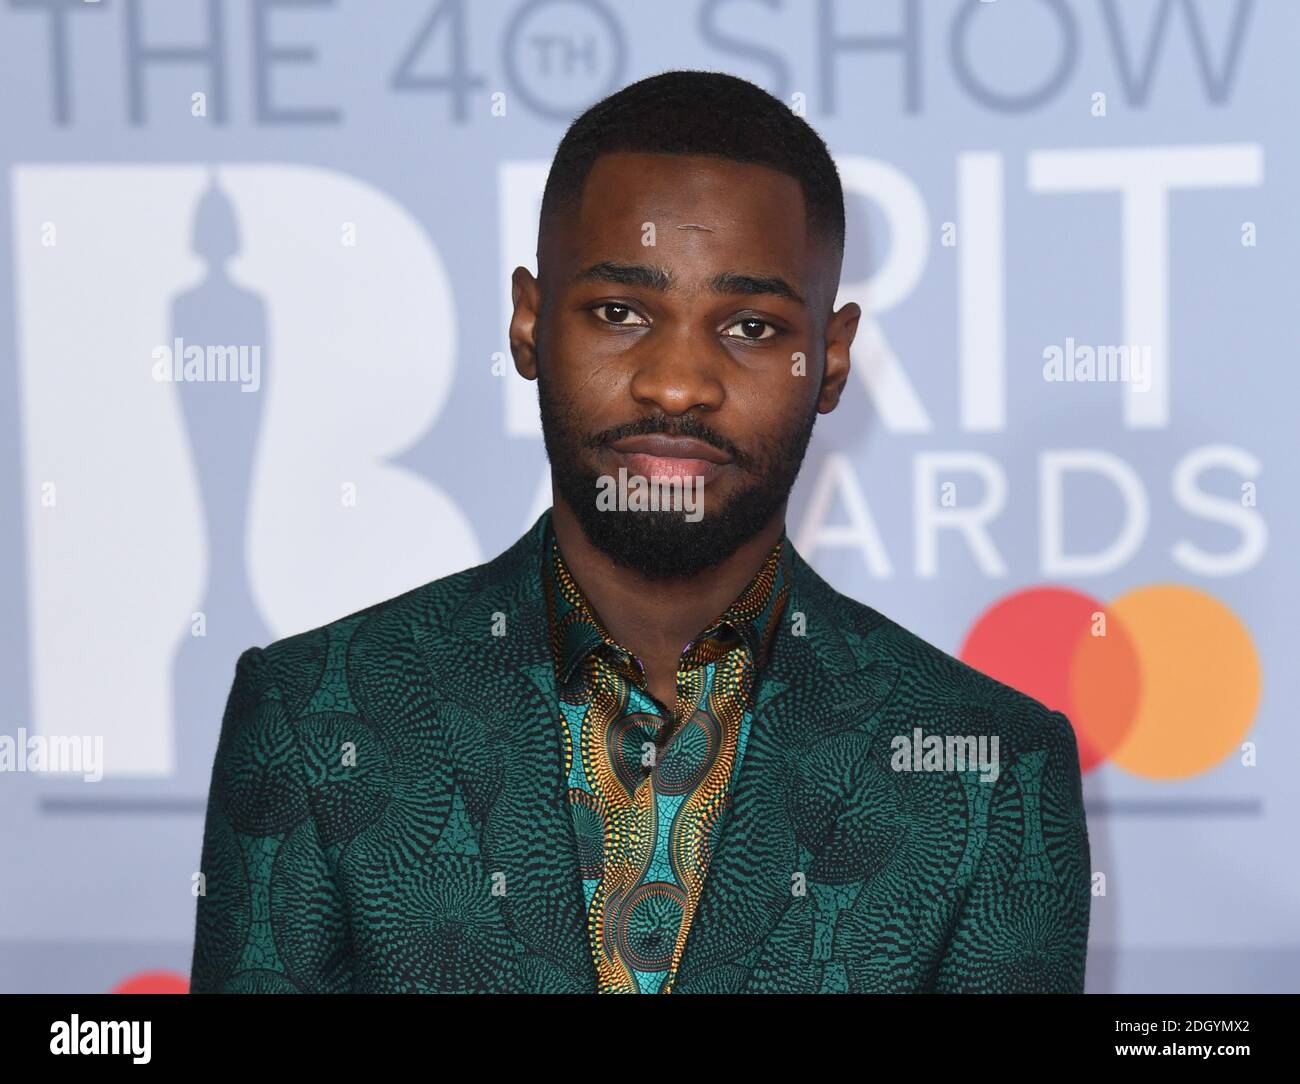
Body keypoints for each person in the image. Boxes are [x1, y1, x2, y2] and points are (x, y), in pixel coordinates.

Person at [190, 69, 1091, 995]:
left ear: (829, 358)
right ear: (530, 325)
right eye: (621, 312)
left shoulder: (993, 770)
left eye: (748, 324)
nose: (676, 383)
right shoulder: (309, 714)